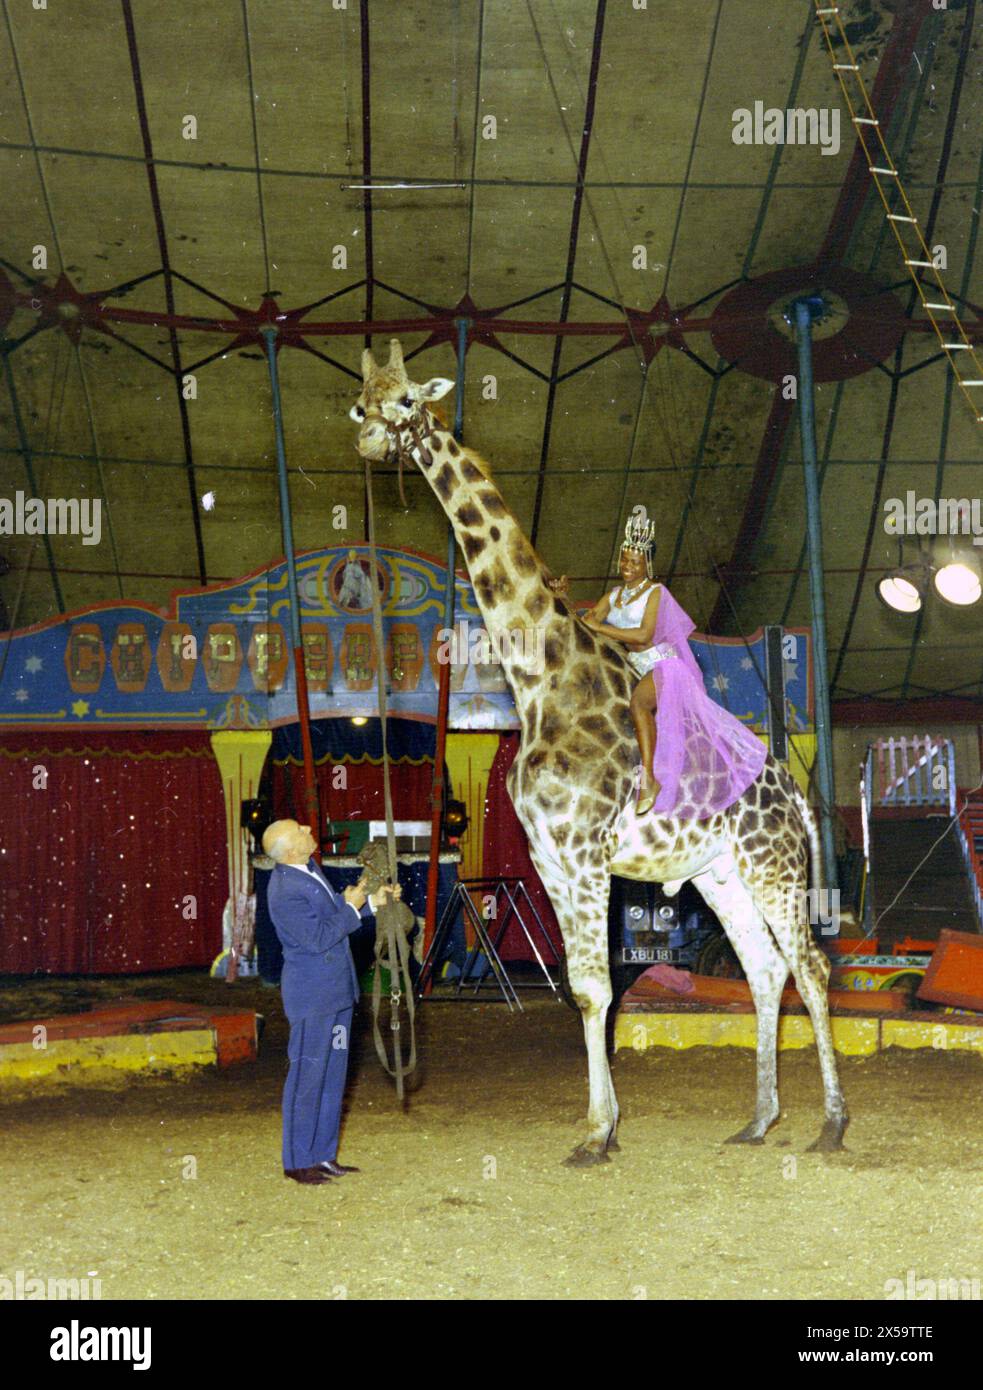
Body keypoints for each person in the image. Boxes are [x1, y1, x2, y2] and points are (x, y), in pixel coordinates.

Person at [579, 514, 767, 818]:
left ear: (647, 566)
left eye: (635, 562)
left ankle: (649, 781)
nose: (627, 566)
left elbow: (644, 634)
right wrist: (561, 599)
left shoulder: (656, 593)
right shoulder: (613, 596)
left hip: (666, 667)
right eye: (624, 560)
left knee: (638, 706)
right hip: (639, 669)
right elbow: (587, 621)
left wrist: (601, 628)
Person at [263, 818, 403, 1186]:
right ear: (290, 849)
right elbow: (318, 937)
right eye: (300, 829)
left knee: (331, 1076)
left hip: (337, 993)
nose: (309, 828)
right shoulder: (284, 889)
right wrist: (353, 906)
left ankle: (322, 1155)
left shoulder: (308, 869)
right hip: (313, 998)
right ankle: (297, 1161)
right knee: (307, 1079)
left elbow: (334, 915)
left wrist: (373, 901)